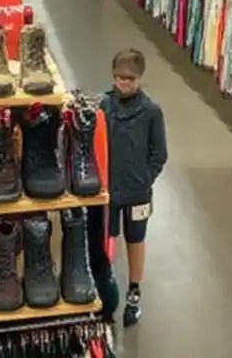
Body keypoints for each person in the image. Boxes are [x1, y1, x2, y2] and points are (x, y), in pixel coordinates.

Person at [100, 48, 168, 327]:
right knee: (107, 239)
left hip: (138, 192)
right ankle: (107, 286)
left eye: (129, 78)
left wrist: (145, 178)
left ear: (139, 78)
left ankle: (134, 292)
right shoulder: (103, 105)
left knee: (135, 240)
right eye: (118, 78)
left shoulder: (152, 112)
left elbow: (159, 153)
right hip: (107, 190)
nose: (123, 83)